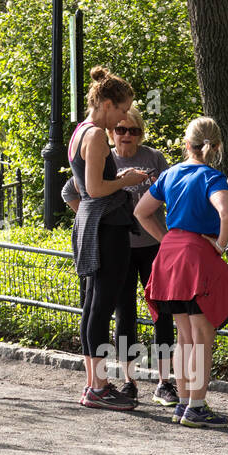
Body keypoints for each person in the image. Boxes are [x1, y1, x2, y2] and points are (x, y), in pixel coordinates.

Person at [63, 107, 176, 406]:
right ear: (113, 133)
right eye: (121, 129)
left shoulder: (154, 158)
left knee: (162, 311)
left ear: (141, 133)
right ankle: (129, 381)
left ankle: (165, 382)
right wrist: (97, 218)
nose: (126, 135)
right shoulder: (102, 152)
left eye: (133, 130)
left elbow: (171, 195)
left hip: (152, 245)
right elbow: (72, 192)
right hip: (118, 242)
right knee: (122, 313)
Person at [134, 117, 228, 428]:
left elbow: (141, 211)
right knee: (203, 336)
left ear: (186, 144)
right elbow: (227, 213)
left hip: (170, 259)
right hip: (198, 259)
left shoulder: (169, 174)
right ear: (215, 147)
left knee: (184, 336)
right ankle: (198, 406)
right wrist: (220, 245)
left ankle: (183, 403)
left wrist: (167, 239)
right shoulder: (212, 177)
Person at [68, 67, 151, 411]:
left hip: (89, 222)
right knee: (101, 307)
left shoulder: (79, 132)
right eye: (120, 109)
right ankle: (99, 386)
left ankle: (93, 384)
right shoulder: (97, 136)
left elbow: (82, 187)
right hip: (107, 225)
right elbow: (95, 188)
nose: (122, 118)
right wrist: (125, 178)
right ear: (104, 103)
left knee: (92, 307)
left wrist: (113, 177)